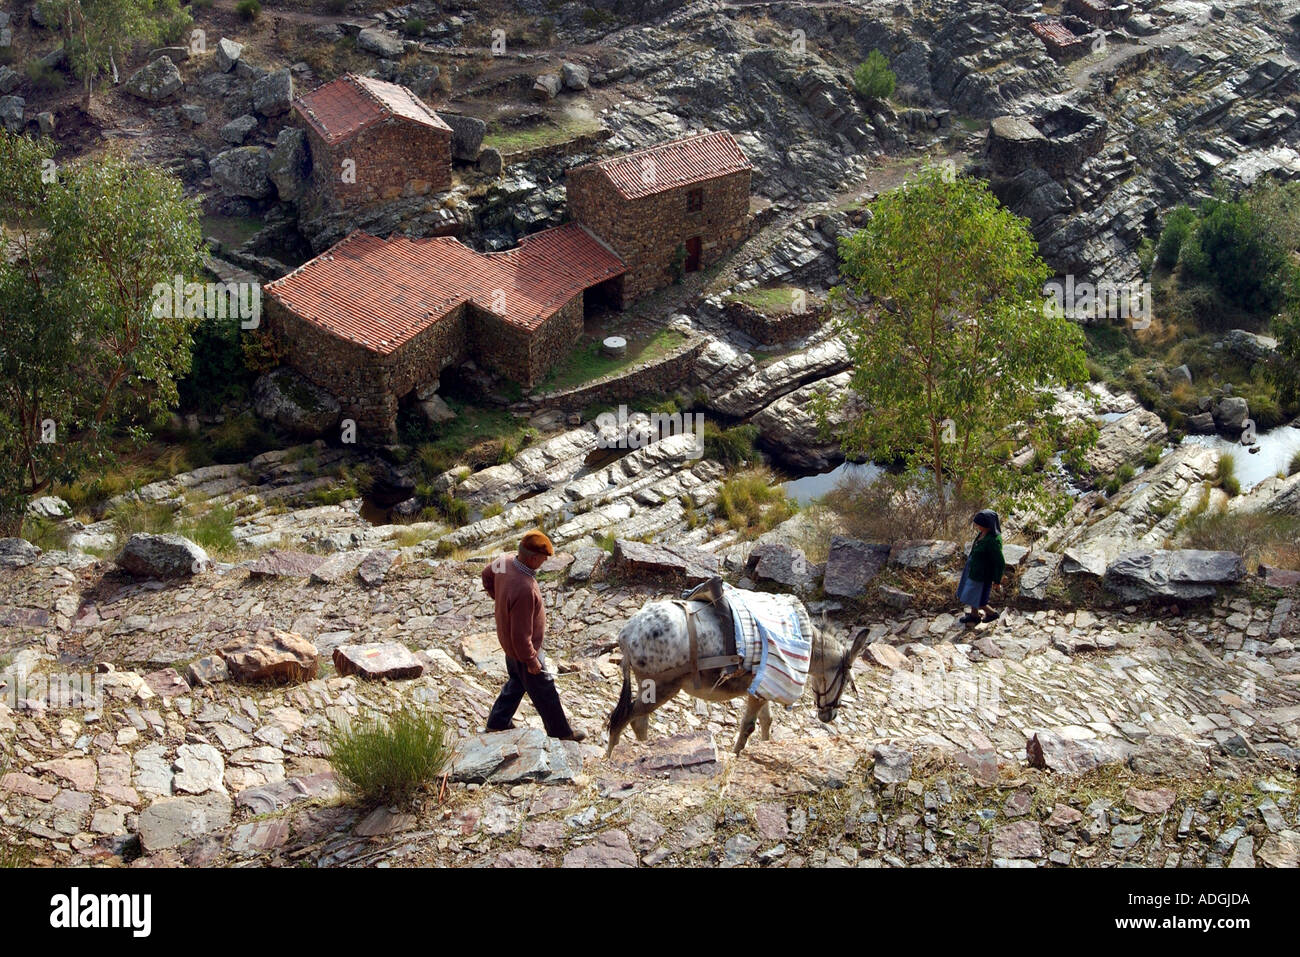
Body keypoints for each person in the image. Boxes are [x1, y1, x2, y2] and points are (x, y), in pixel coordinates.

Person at [482, 530, 586, 741]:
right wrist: (531, 660)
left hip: (507, 643)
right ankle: (561, 733)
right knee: (545, 692)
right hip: (523, 651)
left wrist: (499, 598)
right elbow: (521, 636)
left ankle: (497, 722)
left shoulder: (505, 561)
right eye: (543, 559)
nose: (544, 562)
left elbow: (486, 575)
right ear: (532, 558)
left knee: (516, 682)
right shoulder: (524, 589)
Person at [957, 509, 1006, 625]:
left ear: (987, 525)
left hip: (982, 574)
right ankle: (974, 615)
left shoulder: (993, 541)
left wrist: (997, 581)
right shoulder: (983, 533)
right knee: (970, 592)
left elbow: (1000, 562)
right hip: (974, 569)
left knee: (977, 597)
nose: (977, 526)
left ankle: (992, 613)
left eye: (979, 524)